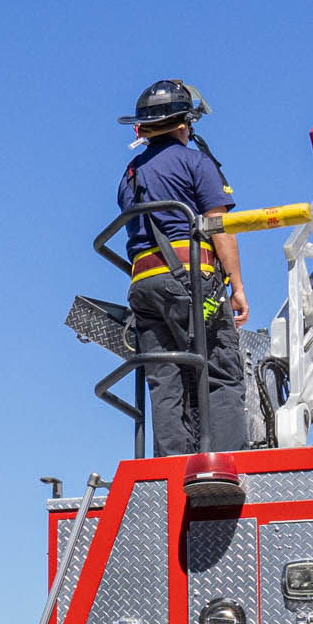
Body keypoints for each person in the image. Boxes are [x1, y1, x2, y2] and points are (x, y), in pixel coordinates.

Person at [115, 78, 249, 455]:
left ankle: (170, 467)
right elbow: (220, 228)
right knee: (219, 371)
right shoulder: (196, 162)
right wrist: (236, 286)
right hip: (191, 281)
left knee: (165, 377)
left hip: (144, 286)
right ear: (183, 123)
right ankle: (225, 464)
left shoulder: (130, 174)